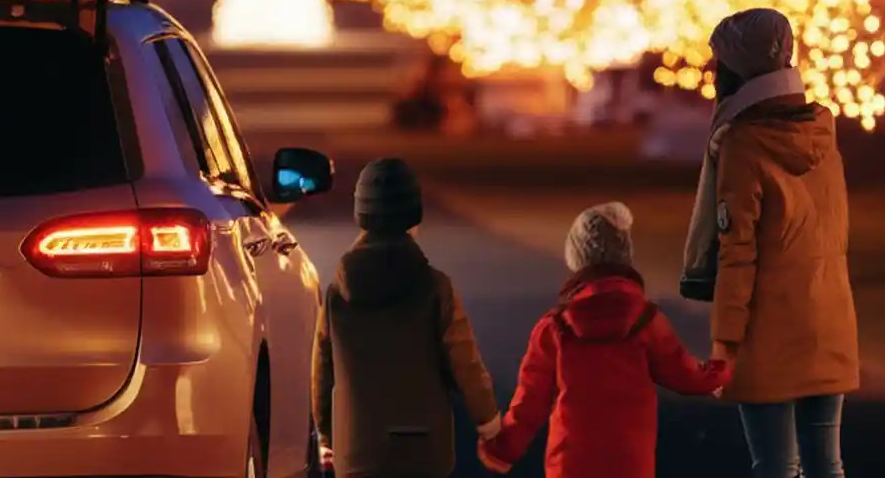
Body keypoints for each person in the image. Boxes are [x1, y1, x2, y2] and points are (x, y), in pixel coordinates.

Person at [687, 8, 860, 478]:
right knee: (827, 465)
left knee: (775, 466)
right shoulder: (822, 130)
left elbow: (738, 254)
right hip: (829, 318)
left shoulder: (743, 144)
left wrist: (724, 344)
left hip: (769, 330)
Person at [477, 202, 730, 478]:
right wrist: (722, 370)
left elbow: (529, 405)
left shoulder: (555, 327)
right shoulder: (646, 321)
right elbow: (686, 375)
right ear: (625, 255)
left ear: (577, 258)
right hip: (630, 467)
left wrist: (500, 450)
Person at [312, 157, 501, 478]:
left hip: (358, 452)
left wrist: (326, 436)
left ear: (361, 216)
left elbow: (322, 370)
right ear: (415, 218)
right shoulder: (435, 287)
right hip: (423, 453)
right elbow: (465, 362)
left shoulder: (337, 294)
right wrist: (489, 422)